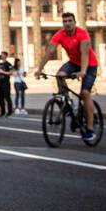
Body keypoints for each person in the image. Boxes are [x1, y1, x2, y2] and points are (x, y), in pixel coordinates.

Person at [35, 12, 98, 142]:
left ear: (75, 22)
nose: (68, 24)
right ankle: (67, 102)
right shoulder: (60, 34)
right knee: (60, 75)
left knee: (85, 93)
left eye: (70, 21)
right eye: (65, 21)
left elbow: (85, 53)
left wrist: (83, 71)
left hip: (89, 65)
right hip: (74, 63)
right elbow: (49, 52)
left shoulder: (82, 34)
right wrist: (39, 69)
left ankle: (90, 129)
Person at [0, 51, 14, 117]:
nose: (1, 56)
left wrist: (3, 72)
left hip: (6, 83)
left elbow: (11, 72)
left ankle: (9, 111)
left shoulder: (8, 64)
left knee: (7, 97)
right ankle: (2, 111)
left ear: (6, 56)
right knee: (0, 98)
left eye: (2, 55)